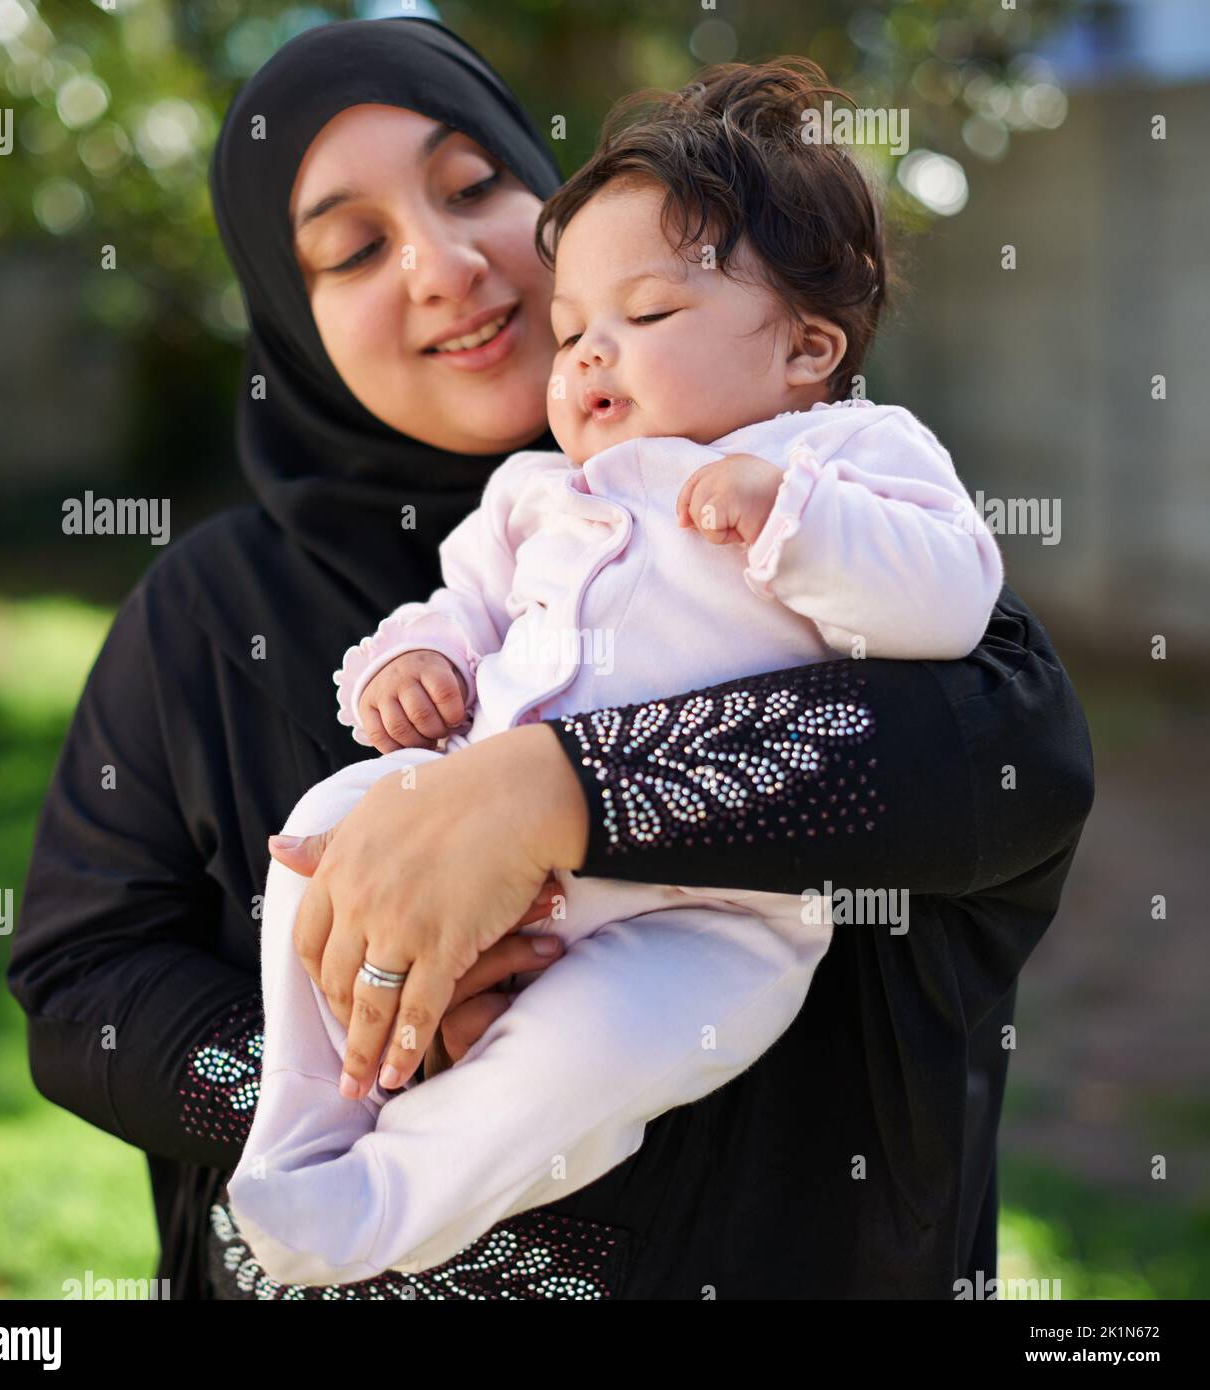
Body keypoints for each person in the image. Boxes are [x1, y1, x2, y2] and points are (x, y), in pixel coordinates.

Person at [8, 17, 1093, 1300]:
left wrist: (552, 790)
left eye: (475, 188)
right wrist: (384, 1054)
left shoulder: (826, 504)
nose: (445, 263)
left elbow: (1003, 768)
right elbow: (86, 985)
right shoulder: (208, 610)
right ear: (291, 319)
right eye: (353, 249)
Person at [225, 59, 1006, 1284]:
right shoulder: (534, 491)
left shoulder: (847, 452)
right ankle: (307, 1130)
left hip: (715, 910)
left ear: (806, 347)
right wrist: (415, 657)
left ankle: (387, 1200)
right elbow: (459, 605)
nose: (588, 359)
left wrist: (793, 512)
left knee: (589, 1056)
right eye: (575, 331)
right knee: (326, 828)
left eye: (642, 321)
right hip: (467, 845)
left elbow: (956, 603)